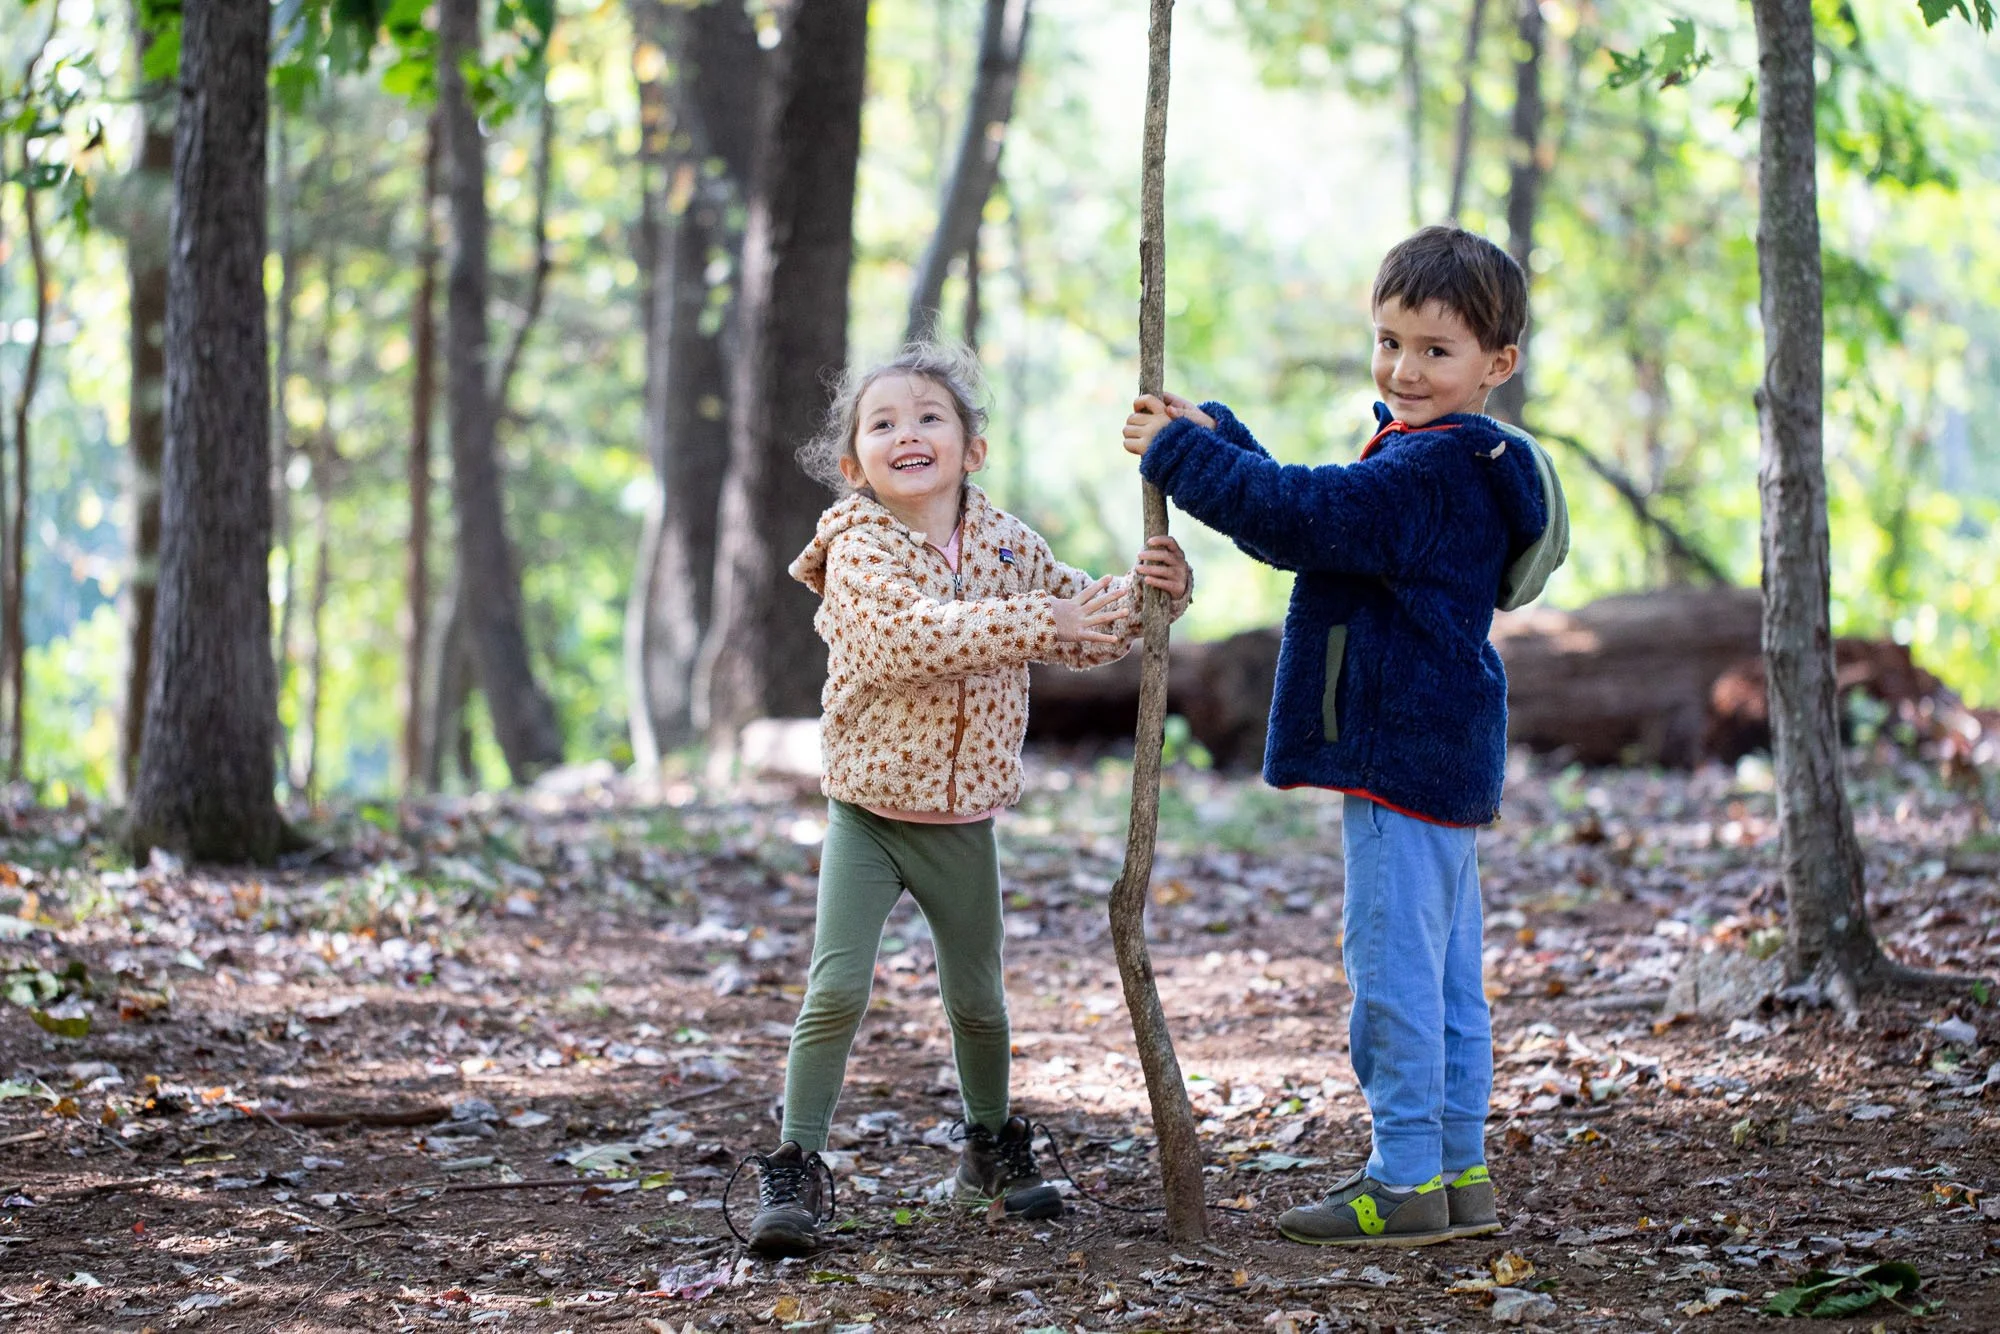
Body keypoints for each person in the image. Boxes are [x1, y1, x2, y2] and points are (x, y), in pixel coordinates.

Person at [1119, 225, 1568, 1248]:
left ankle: (1403, 1176)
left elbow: (1299, 519)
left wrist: (1181, 453)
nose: (1403, 368)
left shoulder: (1430, 471)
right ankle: (1454, 1171)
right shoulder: (1447, 459)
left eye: (1434, 350)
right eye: (1388, 340)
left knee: (1394, 978)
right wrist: (1215, 431)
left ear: (1497, 364)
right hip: (1437, 757)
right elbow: (1311, 502)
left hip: (1395, 760)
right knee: (1444, 972)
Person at [742, 341, 1194, 1257]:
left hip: (963, 822)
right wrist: (1037, 621)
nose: (907, 433)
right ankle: (794, 1165)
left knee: (980, 1002)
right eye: (883, 424)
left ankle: (989, 1147)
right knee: (836, 989)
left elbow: (1084, 619)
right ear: (853, 463)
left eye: (928, 418)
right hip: (869, 814)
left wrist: (1158, 597)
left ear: (971, 448)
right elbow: (910, 640)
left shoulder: (1006, 544)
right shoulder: (858, 548)